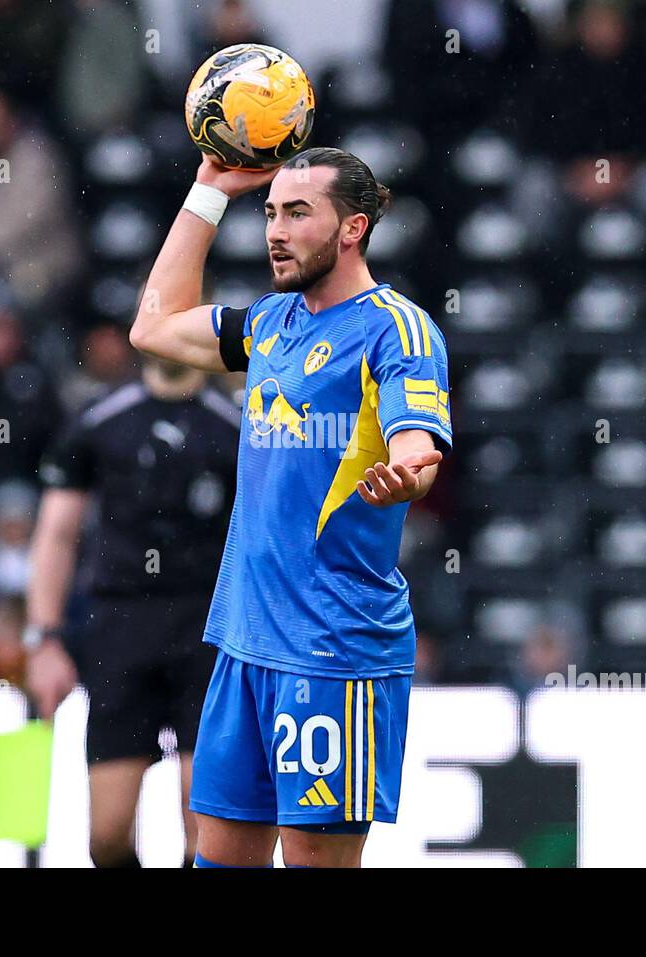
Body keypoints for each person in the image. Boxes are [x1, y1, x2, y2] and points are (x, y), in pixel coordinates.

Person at [29, 146, 453, 868]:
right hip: (241, 642)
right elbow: (154, 328)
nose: (274, 232)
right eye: (269, 214)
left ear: (352, 228)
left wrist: (407, 473)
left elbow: (419, 444)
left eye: (296, 213)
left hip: (332, 650)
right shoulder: (269, 325)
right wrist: (206, 190)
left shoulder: (396, 328)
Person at [24, 355, 240, 867]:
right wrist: (44, 640)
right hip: (121, 627)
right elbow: (56, 534)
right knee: (106, 836)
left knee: (206, 827)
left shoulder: (237, 425)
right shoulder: (100, 418)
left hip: (210, 629)